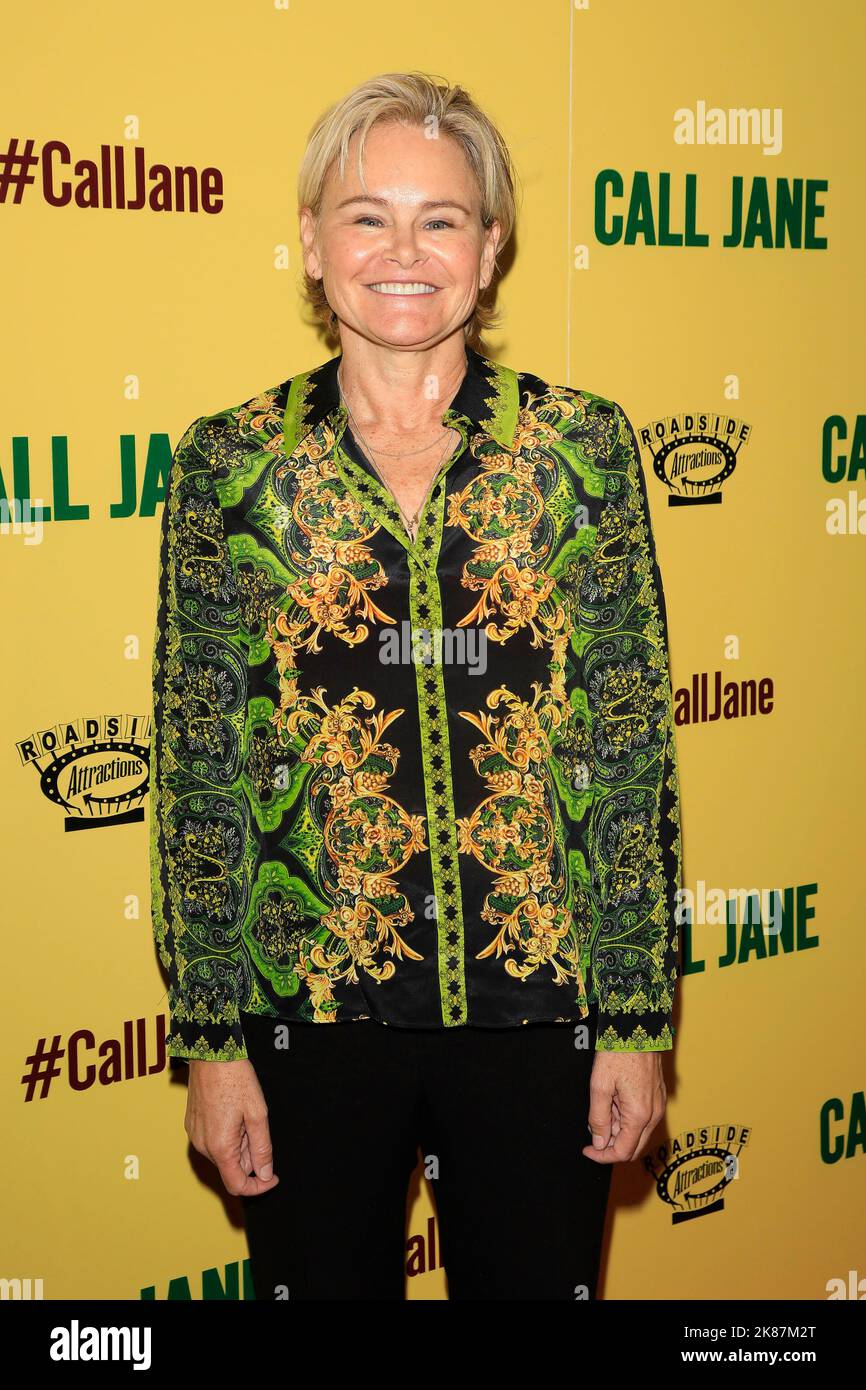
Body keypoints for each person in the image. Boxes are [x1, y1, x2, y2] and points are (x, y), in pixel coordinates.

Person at [149, 70, 682, 1301]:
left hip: (541, 1018)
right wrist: (213, 1049)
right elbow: (198, 776)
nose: (403, 251)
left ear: (489, 249)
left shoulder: (581, 451)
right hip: (307, 1020)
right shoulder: (231, 464)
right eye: (366, 214)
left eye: (440, 218)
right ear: (310, 241)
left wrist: (638, 1020)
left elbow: (632, 748)